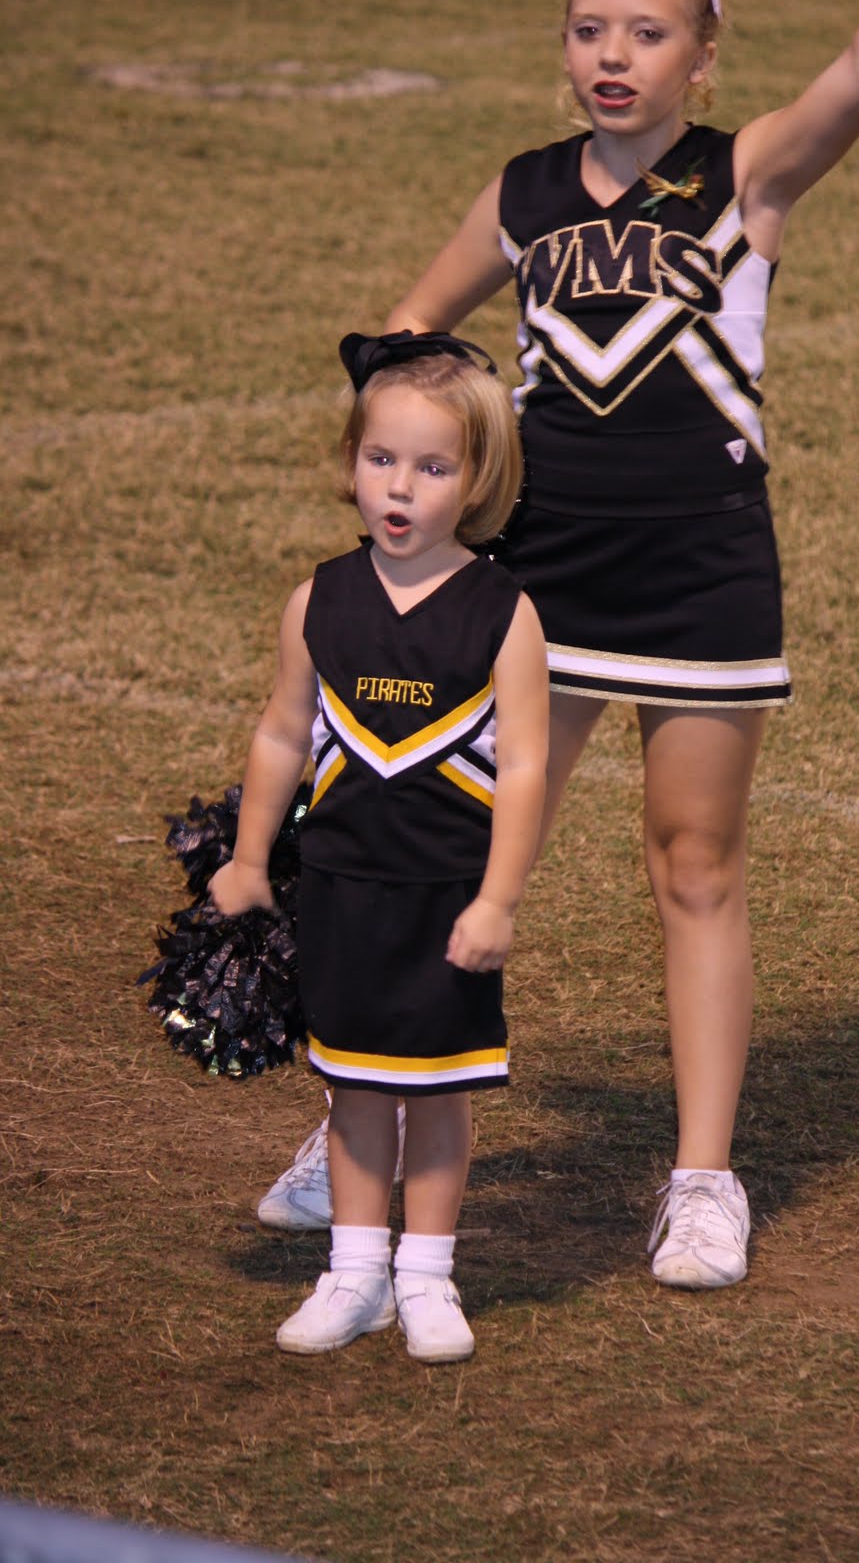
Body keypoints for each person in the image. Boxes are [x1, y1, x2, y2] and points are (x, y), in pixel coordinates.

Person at [259, 0, 859, 1288]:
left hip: (702, 571)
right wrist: (424, 444)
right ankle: (375, 1113)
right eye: (590, 30)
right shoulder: (525, 193)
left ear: (705, 54)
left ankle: (703, 1181)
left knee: (694, 858)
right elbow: (410, 333)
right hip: (540, 580)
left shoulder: (745, 174)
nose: (614, 55)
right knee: (450, 839)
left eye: (648, 33)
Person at [213, 332, 548, 1361]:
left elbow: (525, 769)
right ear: (351, 460)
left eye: (433, 467)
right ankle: (355, 1273)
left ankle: (428, 1276)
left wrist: (497, 900)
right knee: (355, 1088)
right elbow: (283, 734)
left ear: (479, 481)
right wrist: (249, 859)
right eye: (381, 458)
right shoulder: (318, 601)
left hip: (447, 899)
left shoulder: (506, 616)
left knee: (439, 1093)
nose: (400, 486)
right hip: (342, 889)